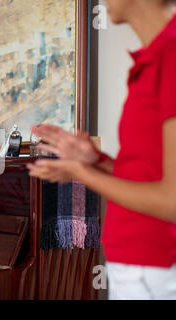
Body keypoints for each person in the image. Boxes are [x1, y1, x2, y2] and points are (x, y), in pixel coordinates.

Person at [27, 0, 176, 300]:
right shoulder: (155, 57)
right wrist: (95, 161)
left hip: (153, 262)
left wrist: (81, 172)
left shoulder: (171, 56)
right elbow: (147, 173)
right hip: (137, 263)